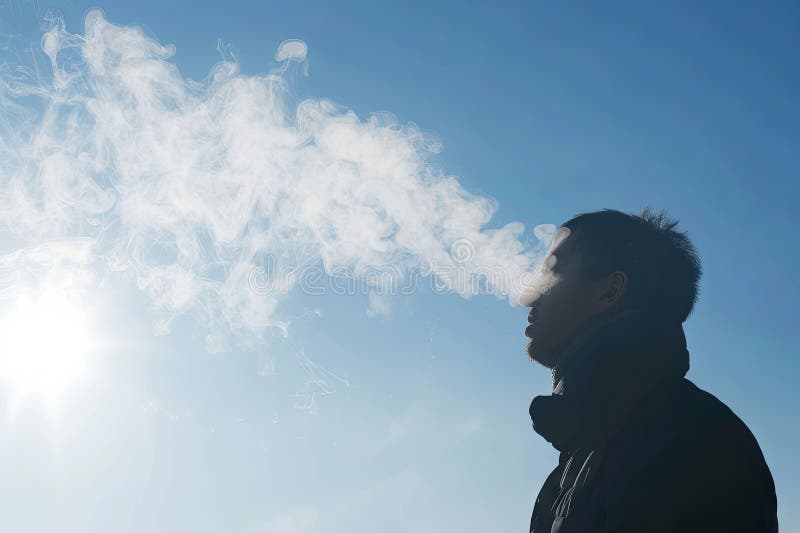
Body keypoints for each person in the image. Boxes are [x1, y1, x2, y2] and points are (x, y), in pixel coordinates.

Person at [522, 208, 777, 533]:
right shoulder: (578, 462)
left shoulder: (694, 444)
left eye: (551, 272)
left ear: (610, 291)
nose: (528, 295)